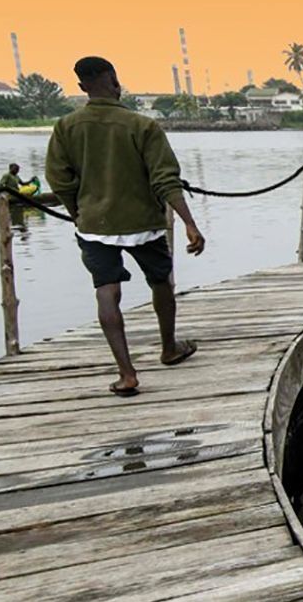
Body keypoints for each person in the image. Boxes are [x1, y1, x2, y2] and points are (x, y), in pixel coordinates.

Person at [46, 56, 207, 396]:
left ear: (82, 87)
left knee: (107, 291)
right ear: (115, 81)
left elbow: (59, 179)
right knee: (161, 280)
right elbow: (165, 179)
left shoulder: (67, 127)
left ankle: (127, 373)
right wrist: (189, 223)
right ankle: (169, 348)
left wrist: (77, 210)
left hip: (93, 224)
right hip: (142, 222)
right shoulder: (141, 126)